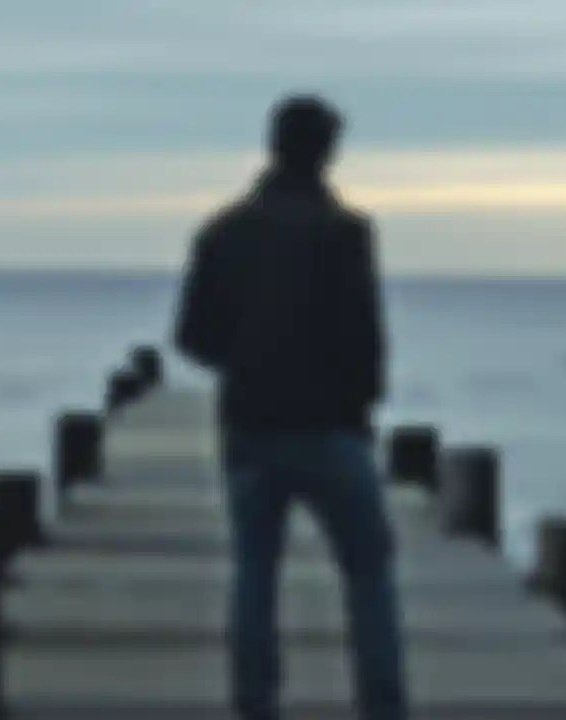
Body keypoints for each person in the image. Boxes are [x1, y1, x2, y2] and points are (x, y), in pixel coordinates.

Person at [173, 95, 407, 720]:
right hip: (333, 427)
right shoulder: (346, 233)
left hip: (251, 423)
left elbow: (191, 337)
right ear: (327, 152)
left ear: (273, 145)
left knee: (255, 571)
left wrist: (244, 358)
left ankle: (256, 701)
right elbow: (366, 337)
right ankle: (382, 703)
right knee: (368, 571)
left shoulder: (223, 232)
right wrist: (362, 402)